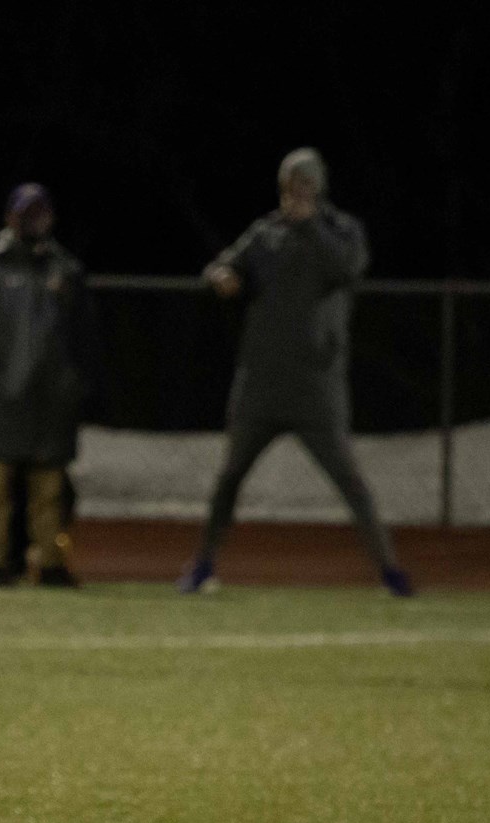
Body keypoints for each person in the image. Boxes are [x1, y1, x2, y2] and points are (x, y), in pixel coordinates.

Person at [178, 148, 411, 596]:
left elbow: (348, 269)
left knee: (350, 483)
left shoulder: (341, 231)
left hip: (316, 389)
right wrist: (221, 275)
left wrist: (311, 225)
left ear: (318, 186)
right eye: (289, 184)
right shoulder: (266, 232)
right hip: (260, 385)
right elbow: (221, 265)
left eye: (304, 184)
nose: (295, 193)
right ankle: (203, 565)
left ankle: (390, 572)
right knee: (229, 479)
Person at [0, 183, 97, 587]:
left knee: (49, 490)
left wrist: (73, 385)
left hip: (51, 401)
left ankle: (50, 564)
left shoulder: (65, 269)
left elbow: (85, 336)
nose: (35, 221)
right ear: (10, 217)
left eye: (41, 212)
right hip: (2, 400)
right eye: (26, 213)